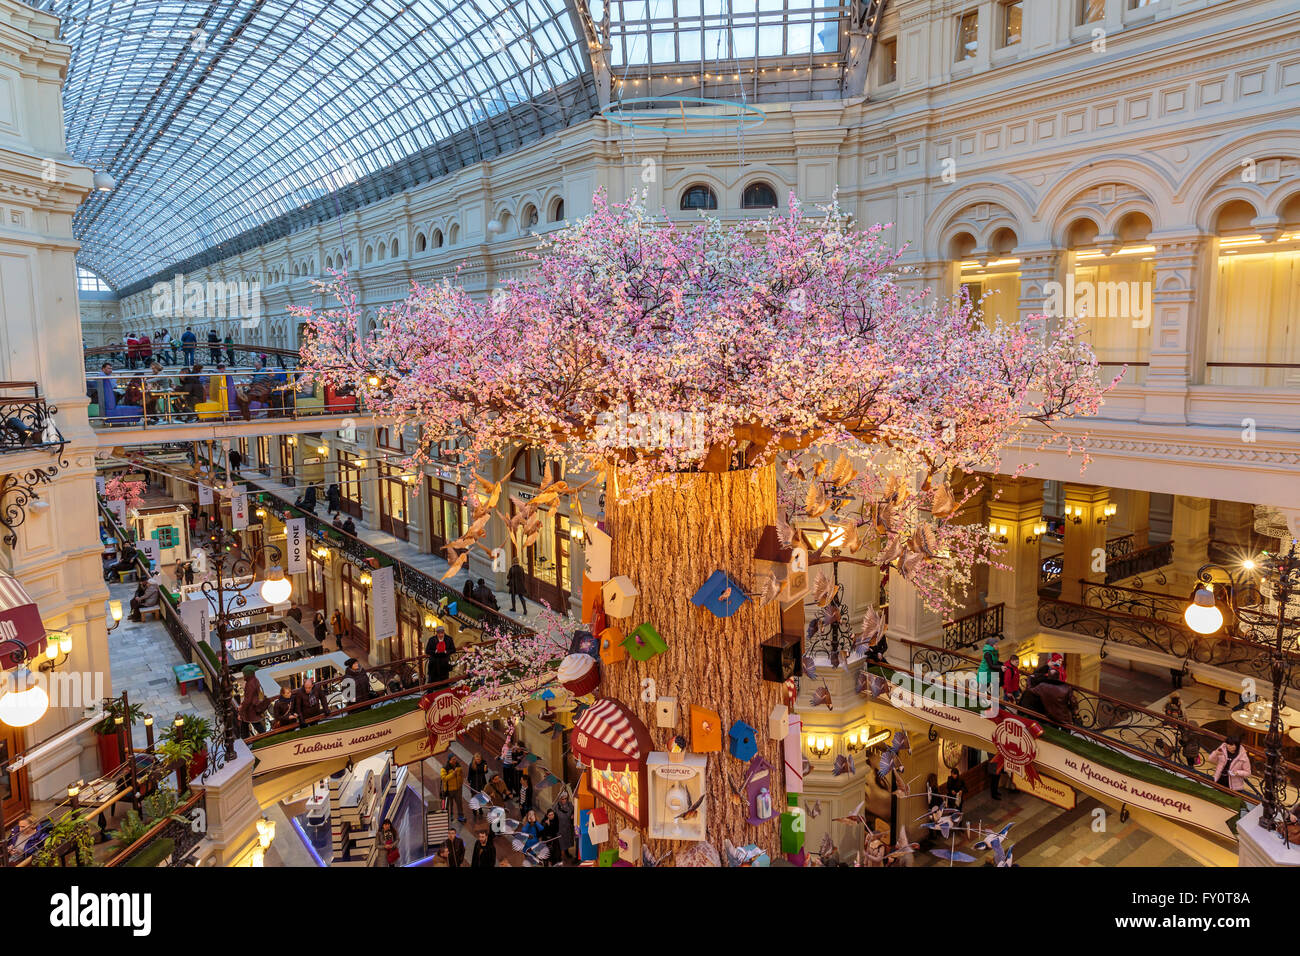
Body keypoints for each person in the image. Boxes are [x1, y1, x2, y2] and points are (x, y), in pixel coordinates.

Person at [237, 665, 268, 737]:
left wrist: (241, 710)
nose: (243, 675)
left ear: (247, 674)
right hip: (253, 707)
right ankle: (247, 740)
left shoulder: (250, 684)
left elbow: (248, 700)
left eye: (244, 674)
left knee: (254, 726)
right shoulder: (255, 680)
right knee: (251, 725)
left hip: (250, 709)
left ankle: (247, 741)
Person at [440, 755, 466, 823]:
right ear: (449, 760)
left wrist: (461, 782)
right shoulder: (445, 768)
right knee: (450, 804)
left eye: (455, 759)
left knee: (459, 803)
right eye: (453, 759)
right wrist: (453, 774)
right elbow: (444, 778)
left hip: (458, 789)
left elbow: (461, 774)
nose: (455, 760)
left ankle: (460, 816)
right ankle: (450, 816)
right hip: (449, 790)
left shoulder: (458, 766)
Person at [552, 789, 575, 862]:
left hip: (568, 827)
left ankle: (567, 853)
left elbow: (574, 811)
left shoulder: (570, 805)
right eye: (562, 799)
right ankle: (562, 856)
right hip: (560, 828)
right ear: (560, 799)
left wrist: (573, 816)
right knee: (561, 843)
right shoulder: (556, 806)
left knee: (567, 841)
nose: (564, 800)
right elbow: (552, 814)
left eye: (565, 798)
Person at [468, 753, 489, 818]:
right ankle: (474, 810)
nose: (478, 760)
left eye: (479, 759)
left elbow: (486, 772)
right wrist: (469, 781)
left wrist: (485, 767)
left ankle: (480, 809)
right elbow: (469, 774)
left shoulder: (483, 764)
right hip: (474, 783)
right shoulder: (472, 765)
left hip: (481, 782)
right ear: (474, 759)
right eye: (477, 759)